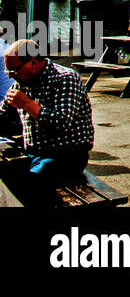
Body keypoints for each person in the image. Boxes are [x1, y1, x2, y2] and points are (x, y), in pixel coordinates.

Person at [0, 39, 95, 202]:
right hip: (34, 152)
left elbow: (60, 124)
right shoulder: (22, 82)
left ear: (33, 61)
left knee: (29, 185)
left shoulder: (65, 78)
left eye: (14, 71)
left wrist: (28, 104)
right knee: (6, 174)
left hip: (67, 155)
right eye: (8, 72)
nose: (10, 76)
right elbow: (2, 114)